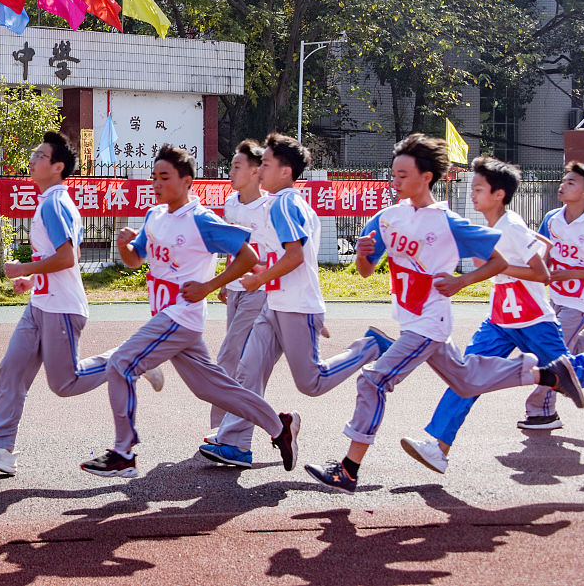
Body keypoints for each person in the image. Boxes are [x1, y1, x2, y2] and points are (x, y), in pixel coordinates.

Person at [305, 134, 583, 494]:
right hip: (410, 319)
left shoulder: (448, 222)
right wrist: (362, 254)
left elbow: (498, 261)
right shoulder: (387, 218)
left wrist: (460, 281)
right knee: (465, 381)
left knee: (372, 381)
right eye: (393, 174)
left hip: (429, 323)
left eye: (403, 175)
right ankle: (546, 374)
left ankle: (348, 469)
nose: (395, 180)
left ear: (426, 178)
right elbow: (365, 272)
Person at [79, 145, 300, 479]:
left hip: (180, 316)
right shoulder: (154, 216)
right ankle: (279, 425)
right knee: (211, 388)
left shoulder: (200, 219)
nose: (157, 183)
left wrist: (208, 286)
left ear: (186, 181)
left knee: (121, 364)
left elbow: (249, 257)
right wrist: (125, 246)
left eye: (165, 177)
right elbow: (135, 260)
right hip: (166, 317)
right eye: (154, 177)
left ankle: (123, 453)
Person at [0, 132, 162, 476]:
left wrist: (25, 269)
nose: (32, 159)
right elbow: (63, 255)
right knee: (12, 368)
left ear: (57, 167)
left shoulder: (55, 203)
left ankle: (132, 358)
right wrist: (33, 281)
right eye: (34, 154)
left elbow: (68, 258)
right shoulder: (50, 202)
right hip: (41, 303)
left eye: (40, 156)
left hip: (62, 308)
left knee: (65, 383)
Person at [201, 133, 390, 468]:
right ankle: (235, 443)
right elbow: (282, 256)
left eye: (266, 165)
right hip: (276, 304)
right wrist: (250, 275)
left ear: (286, 171)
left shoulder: (286, 203)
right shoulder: (282, 203)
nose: (260, 171)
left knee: (311, 383)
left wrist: (258, 280)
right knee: (248, 371)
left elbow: (296, 256)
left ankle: (370, 347)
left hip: (296, 306)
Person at [402, 156, 584, 473]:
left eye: (479, 189)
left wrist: (497, 269)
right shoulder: (493, 227)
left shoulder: (511, 226)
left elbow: (543, 275)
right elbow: (540, 246)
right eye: (473, 188)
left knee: (575, 374)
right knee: (467, 375)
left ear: (499, 195)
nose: (472, 194)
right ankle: (438, 448)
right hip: (500, 320)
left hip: (534, 321)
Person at [519, 160, 584, 430]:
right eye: (564, 180)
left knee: (555, 357)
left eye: (571, 182)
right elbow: (542, 252)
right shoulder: (552, 218)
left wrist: (572, 274)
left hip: (581, 303)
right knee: (568, 355)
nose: (563, 185)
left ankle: (542, 412)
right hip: (555, 299)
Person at [208, 140, 271, 430]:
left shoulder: (269, 208)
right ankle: (266, 421)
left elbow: (281, 253)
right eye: (231, 166)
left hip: (258, 291)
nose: (230, 172)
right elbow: (232, 248)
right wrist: (226, 280)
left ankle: (221, 429)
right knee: (245, 361)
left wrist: (260, 276)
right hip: (234, 290)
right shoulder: (231, 204)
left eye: (237, 167)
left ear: (256, 171)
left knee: (230, 355)